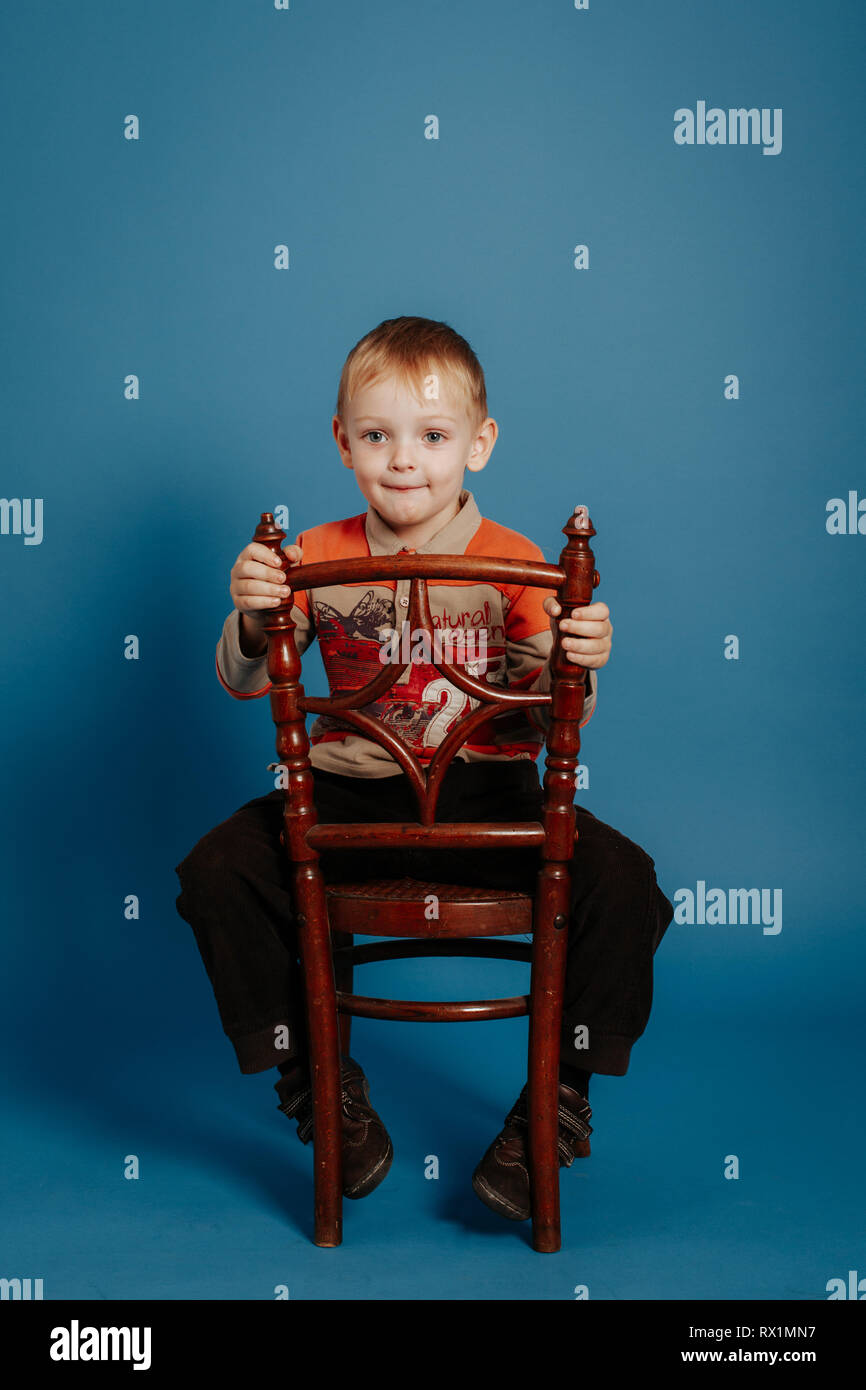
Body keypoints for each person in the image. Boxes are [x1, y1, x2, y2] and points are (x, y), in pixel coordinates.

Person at [174, 315, 674, 1222]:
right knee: (216, 869)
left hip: (491, 803)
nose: (405, 460)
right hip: (344, 801)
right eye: (377, 436)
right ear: (343, 443)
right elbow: (245, 679)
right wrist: (252, 612)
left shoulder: (521, 562)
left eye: (433, 437)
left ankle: (556, 1104)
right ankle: (317, 1085)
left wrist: (578, 658)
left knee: (627, 883)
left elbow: (565, 711)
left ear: (478, 445)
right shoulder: (308, 559)